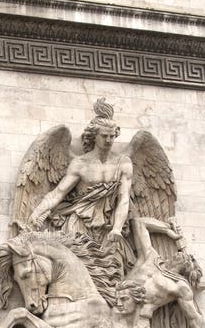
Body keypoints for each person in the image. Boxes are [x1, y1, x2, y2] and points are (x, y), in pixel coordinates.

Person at [29, 99, 133, 254]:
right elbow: (58, 194)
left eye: (112, 136)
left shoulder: (123, 163)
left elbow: (124, 199)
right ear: (94, 136)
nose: (109, 141)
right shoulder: (80, 164)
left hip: (109, 228)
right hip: (79, 224)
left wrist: (117, 228)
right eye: (104, 136)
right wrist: (37, 212)